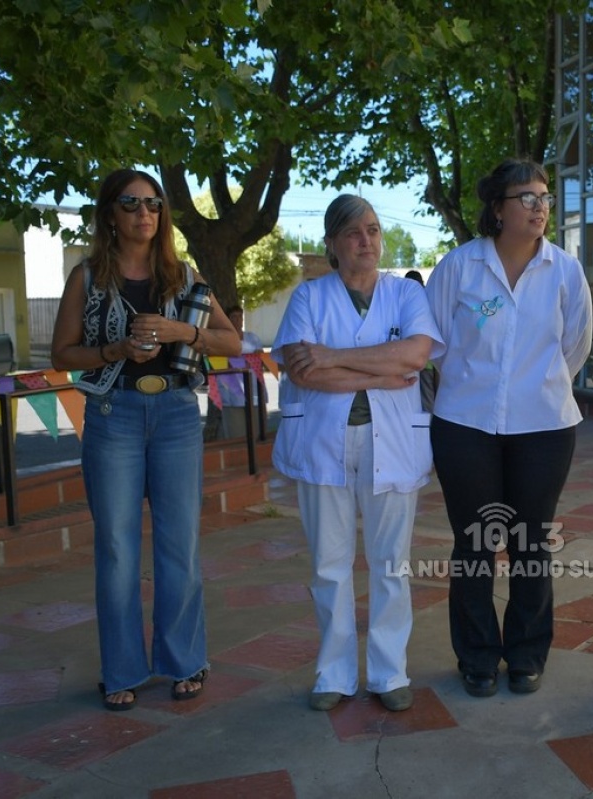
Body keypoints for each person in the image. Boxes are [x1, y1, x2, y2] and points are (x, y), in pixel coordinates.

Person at [50, 168, 241, 711]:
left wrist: (187, 333)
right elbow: (62, 355)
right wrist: (114, 351)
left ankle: (184, 661)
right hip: (113, 415)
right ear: (110, 213)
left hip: (178, 414)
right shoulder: (87, 277)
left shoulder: (183, 275)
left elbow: (233, 338)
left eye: (153, 204)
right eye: (131, 203)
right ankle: (122, 671)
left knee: (179, 543)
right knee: (116, 549)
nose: (144, 214)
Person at [426, 158, 593, 697]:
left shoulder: (565, 271)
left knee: (530, 544)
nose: (539, 207)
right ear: (497, 207)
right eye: (527, 197)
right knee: (473, 545)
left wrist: (534, 390)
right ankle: (476, 656)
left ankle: (525, 653)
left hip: (544, 427)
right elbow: (435, 344)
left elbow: (575, 347)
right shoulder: (459, 267)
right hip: (465, 424)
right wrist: (479, 386)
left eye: (545, 197)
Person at [272, 194, 443, 713]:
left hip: (390, 442)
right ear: (332, 244)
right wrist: (383, 372)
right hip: (324, 442)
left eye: (372, 230)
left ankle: (389, 672)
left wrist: (334, 358)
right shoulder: (308, 298)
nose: (365, 241)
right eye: (352, 233)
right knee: (329, 562)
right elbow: (303, 371)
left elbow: (416, 354)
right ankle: (334, 672)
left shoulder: (406, 295)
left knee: (391, 563)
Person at [218, 304, 266, 439]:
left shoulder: (253, 338)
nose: (238, 320)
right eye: (234, 317)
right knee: (236, 435)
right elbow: (218, 362)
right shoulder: (221, 339)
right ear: (227, 319)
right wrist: (245, 359)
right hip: (232, 394)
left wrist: (244, 358)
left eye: (240, 317)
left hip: (254, 392)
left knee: (257, 434)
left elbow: (261, 358)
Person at [402, 270, 438, 413]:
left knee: (417, 401)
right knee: (429, 399)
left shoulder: (407, 299)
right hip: (432, 359)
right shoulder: (429, 297)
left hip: (413, 363)